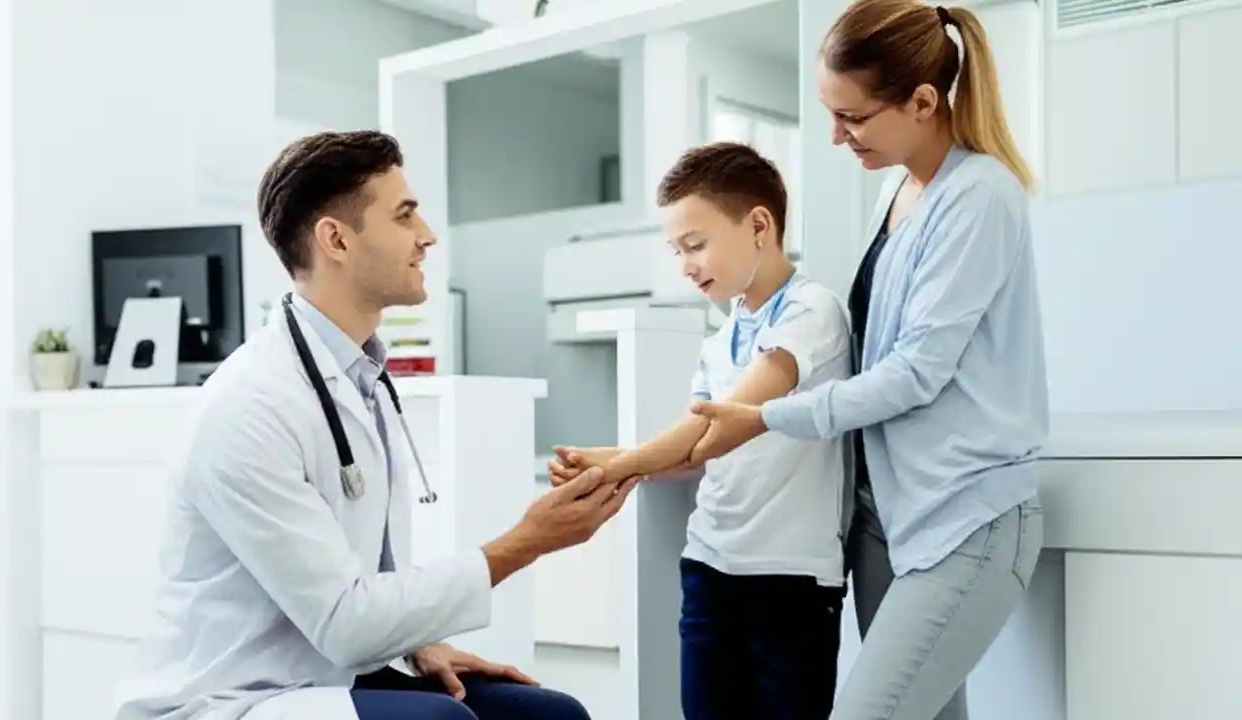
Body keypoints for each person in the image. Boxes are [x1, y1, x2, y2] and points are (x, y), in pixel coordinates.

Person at [113, 130, 636, 720]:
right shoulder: (247, 406)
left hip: (329, 671)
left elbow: (346, 579)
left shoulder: (360, 377)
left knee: (548, 716)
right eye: (405, 215)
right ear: (335, 239)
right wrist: (527, 542)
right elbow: (343, 620)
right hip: (232, 696)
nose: (428, 235)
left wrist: (418, 643)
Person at [686, 2, 1048, 719]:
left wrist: (765, 416)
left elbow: (915, 372)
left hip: (962, 524)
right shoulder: (899, 189)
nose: (836, 135)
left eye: (852, 117)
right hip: (887, 522)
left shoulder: (980, 196)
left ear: (921, 103)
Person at [549, 142, 854, 720]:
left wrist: (622, 463)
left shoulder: (811, 313)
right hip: (711, 570)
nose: (686, 264)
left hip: (790, 582)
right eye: (677, 251)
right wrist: (608, 460)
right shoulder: (720, 339)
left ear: (759, 225)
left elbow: (720, 429)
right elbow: (694, 453)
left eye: (696, 245)